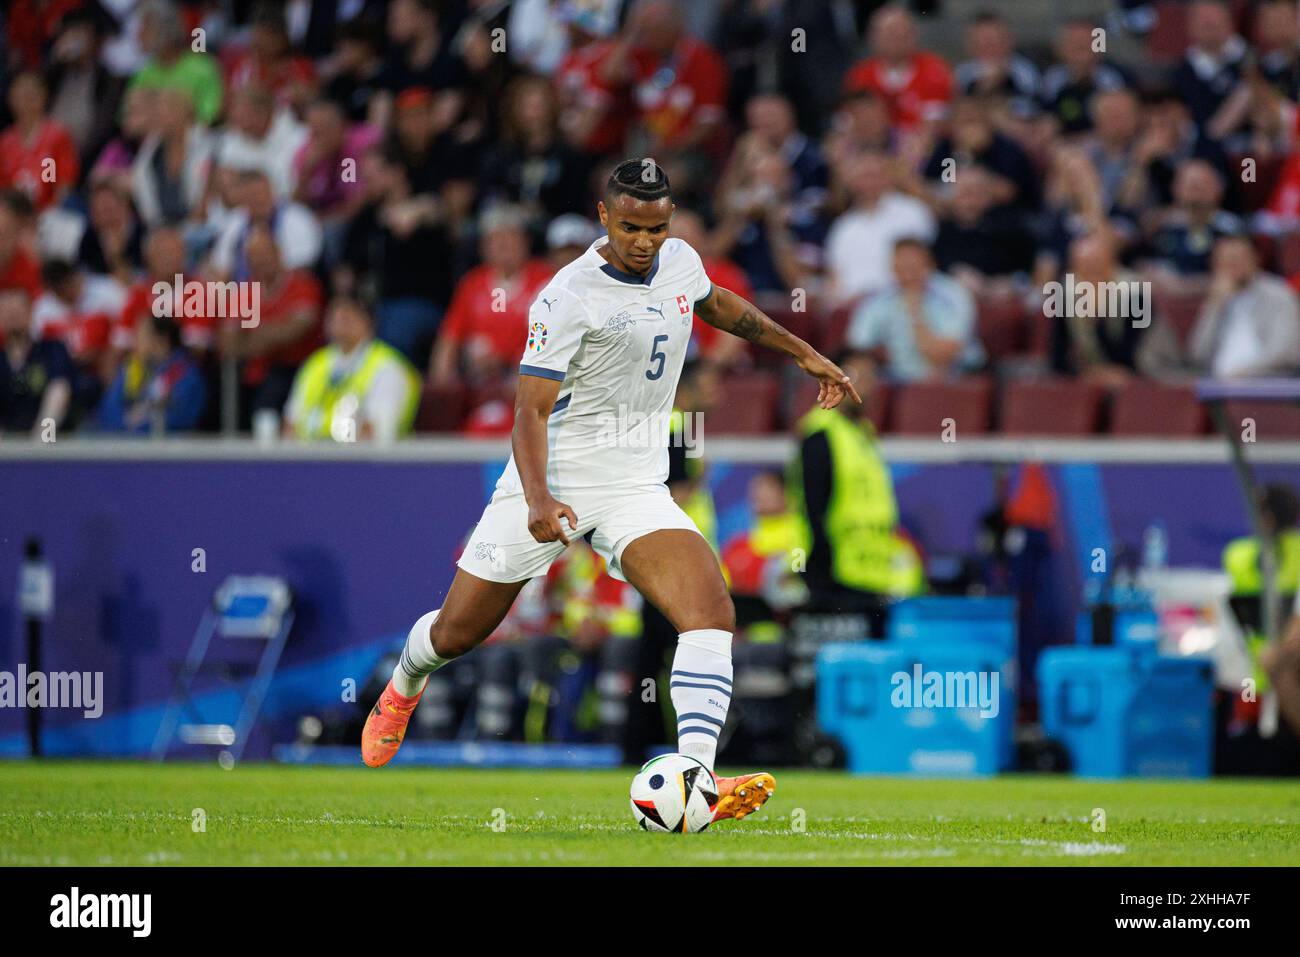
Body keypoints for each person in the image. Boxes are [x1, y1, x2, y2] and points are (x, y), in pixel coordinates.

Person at [361, 159, 862, 825]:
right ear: (605, 217)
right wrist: (538, 499)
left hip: (634, 485)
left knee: (710, 609)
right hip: (553, 479)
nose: (644, 241)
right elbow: (528, 413)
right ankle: (403, 683)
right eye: (630, 227)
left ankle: (698, 779)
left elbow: (722, 307)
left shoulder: (680, 261)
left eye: (656, 228)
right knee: (457, 633)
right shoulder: (568, 296)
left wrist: (800, 350)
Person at [284, 296, 420, 443]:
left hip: (364, 461)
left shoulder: (388, 366)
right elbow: (290, 425)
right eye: (334, 316)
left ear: (369, 323)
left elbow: (377, 432)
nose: (340, 321)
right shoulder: (314, 364)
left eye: (348, 316)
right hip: (307, 459)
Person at [847, 238, 983, 382]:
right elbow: (857, 347)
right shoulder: (879, 299)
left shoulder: (954, 295)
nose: (908, 276)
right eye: (901, 269)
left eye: (914, 269)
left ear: (930, 265)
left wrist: (916, 312)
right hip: (896, 378)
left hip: (956, 376)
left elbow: (942, 357)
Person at [1190, 234, 1300, 378]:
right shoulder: (1217, 299)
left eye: (1237, 259)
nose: (1232, 266)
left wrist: (1246, 372)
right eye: (1225, 261)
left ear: (1255, 259)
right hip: (1217, 387)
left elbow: (1286, 352)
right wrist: (1215, 308)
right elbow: (1198, 354)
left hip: (1267, 384)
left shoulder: (1279, 295)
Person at [98, 315, 207, 434]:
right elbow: (108, 410)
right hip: (126, 445)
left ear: (162, 340)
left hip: (166, 448)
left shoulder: (186, 374)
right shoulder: (134, 367)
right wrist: (127, 423)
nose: (135, 342)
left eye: (140, 335)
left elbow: (180, 418)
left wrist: (138, 422)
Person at [0, 289, 72, 437]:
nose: (13, 315)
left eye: (18, 310)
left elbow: (61, 390)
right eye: (8, 311)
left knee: (59, 389)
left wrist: (43, 436)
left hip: (47, 435)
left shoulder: (51, 348)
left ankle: (43, 441)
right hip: (6, 436)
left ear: (30, 313)